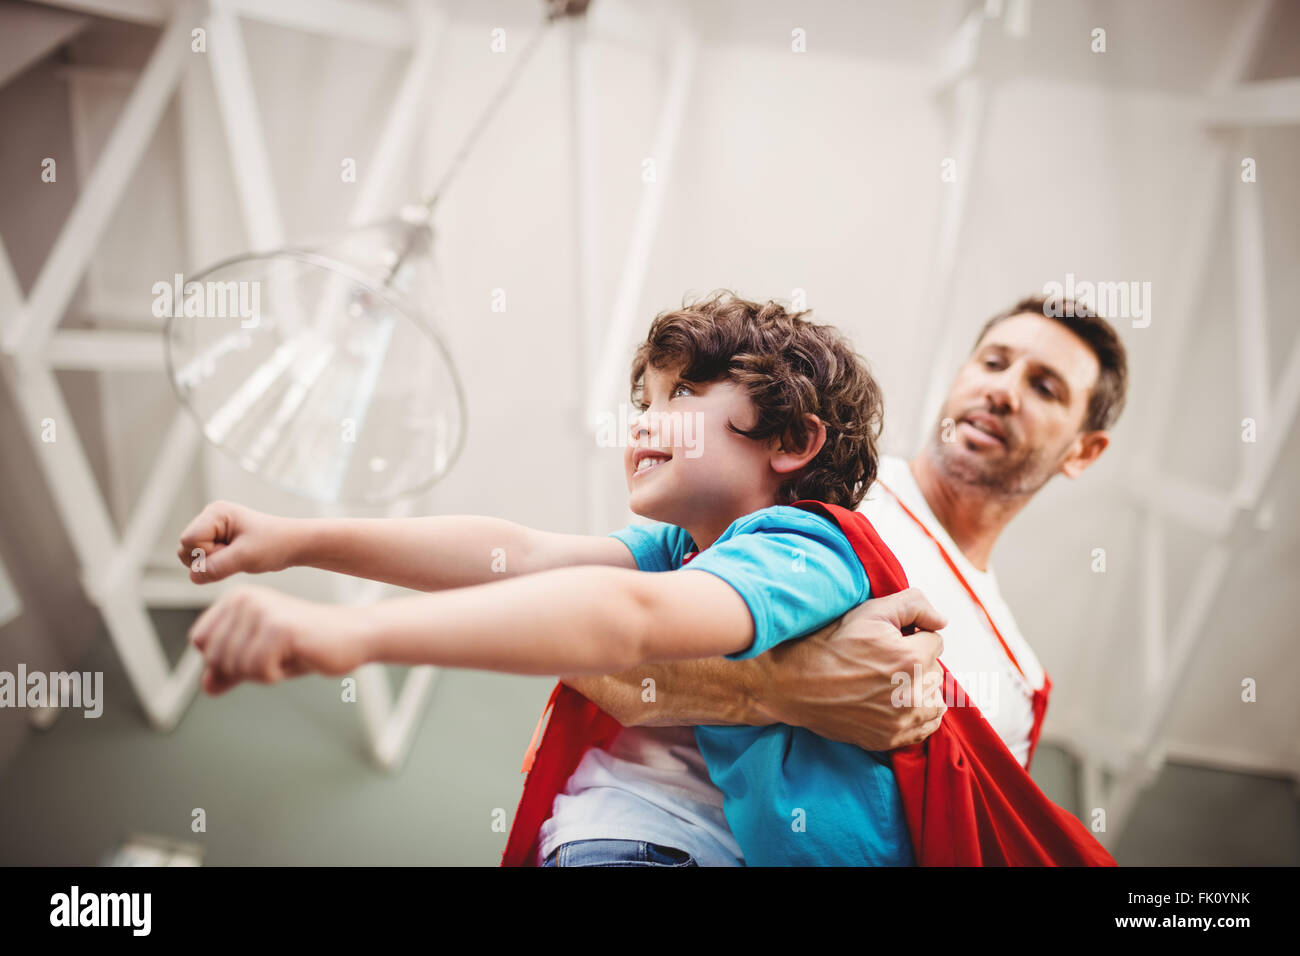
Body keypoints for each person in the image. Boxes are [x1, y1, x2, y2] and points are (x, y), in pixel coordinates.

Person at [178, 291, 938, 865]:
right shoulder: (680, 546)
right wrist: (291, 539)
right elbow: (520, 556)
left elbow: (630, 617)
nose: (643, 419)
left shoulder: (808, 547)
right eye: (644, 400)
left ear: (793, 440)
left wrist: (354, 632)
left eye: (683, 395)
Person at [524, 293, 1127, 866]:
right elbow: (585, 631)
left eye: (1043, 386)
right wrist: (783, 689)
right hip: (653, 838)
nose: (1003, 390)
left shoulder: (1019, 681)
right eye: (993, 362)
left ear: (1084, 451)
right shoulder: (811, 487)